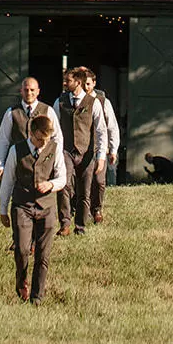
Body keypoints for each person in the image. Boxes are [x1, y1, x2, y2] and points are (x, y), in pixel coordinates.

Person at [0, 114, 66, 304]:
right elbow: (8, 181)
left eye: (46, 140)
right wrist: (3, 209)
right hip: (22, 206)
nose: (43, 144)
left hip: (47, 207)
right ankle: (21, 281)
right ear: (31, 133)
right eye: (39, 140)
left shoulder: (55, 149)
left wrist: (51, 185)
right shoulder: (16, 150)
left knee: (43, 254)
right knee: (21, 250)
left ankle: (37, 296)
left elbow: (62, 178)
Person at [53, 67, 107, 235]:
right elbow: (53, 128)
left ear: (78, 82)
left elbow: (101, 130)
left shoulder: (93, 102)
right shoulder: (60, 102)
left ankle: (81, 226)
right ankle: (65, 223)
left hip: (86, 152)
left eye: (68, 80)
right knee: (64, 185)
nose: (64, 83)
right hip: (66, 151)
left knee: (84, 191)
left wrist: (101, 156)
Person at [0, 77, 62, 182]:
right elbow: (3, 140)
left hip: (44, 166)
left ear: (38, 91)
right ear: (21, 91)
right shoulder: (11, 113)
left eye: (32, 90)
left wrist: (55, 161)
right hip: (20, 165)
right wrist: (0, 166)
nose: (29, 93)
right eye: (26, 90)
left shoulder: (48, 111)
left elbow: (57, 138)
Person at [82, 71, 119, 224]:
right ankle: (83, 211)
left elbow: (112, 126)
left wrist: (113, 149)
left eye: (88, 84)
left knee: (99, 180)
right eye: (83, 84)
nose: (85, 87)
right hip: (81, 148)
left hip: (99, 148)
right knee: (83, 182)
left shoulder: (103, 102)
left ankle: (97, 208)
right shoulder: (75, 101)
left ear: (94, 84)